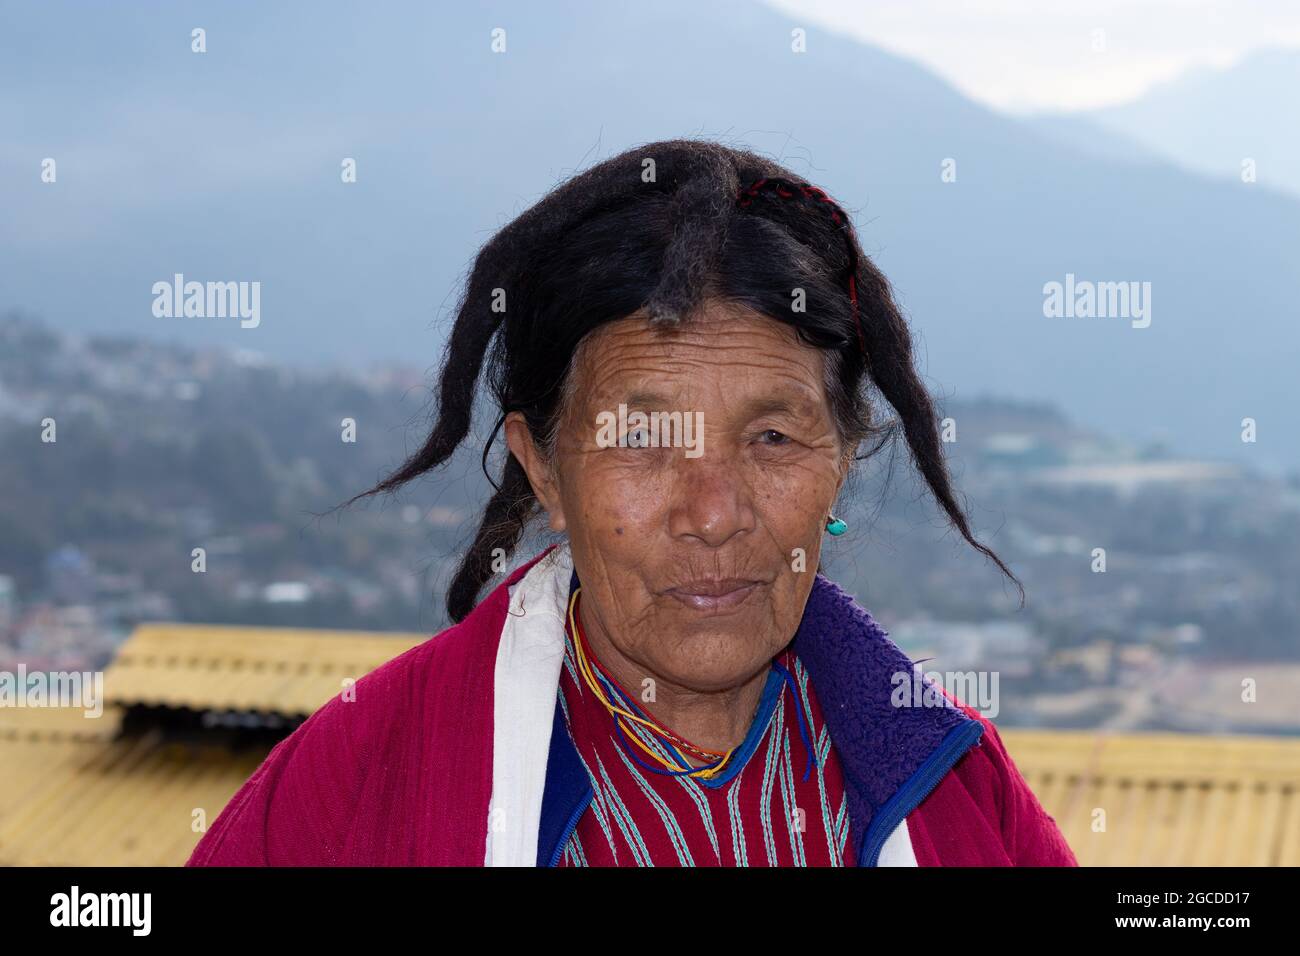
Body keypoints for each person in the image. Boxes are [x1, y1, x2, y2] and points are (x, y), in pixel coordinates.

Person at [188, 139, 1077, 867]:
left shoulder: (956, 792)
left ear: (842, 458)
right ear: (543, 468)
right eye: (641, 440)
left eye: (773, 437)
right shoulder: (357, 791)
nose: (715, 511)